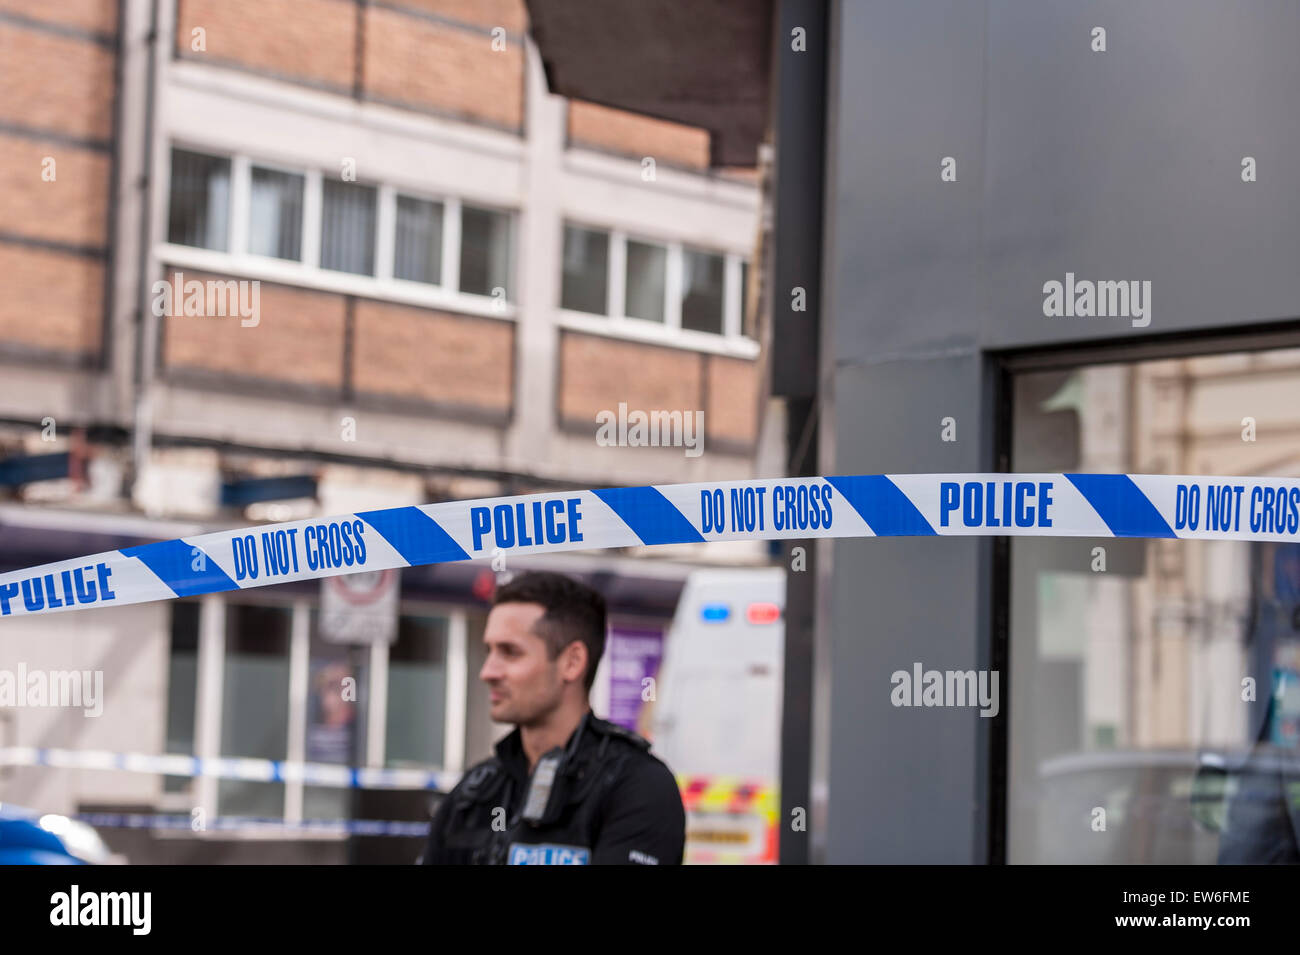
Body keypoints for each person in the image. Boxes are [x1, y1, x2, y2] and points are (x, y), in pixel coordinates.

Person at [420, 571, 685, 864]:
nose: (488, 672)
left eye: (510, 652)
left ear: (572, 663)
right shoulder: (477, 790)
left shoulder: (637, 786)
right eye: (489, 651)